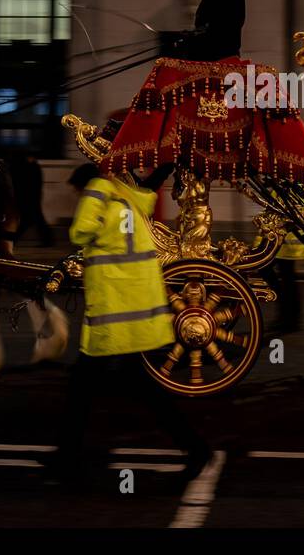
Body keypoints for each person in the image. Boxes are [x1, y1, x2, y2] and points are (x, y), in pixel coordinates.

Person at [49, 168, 212, 490]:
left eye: (76, 192)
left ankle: (67, 461)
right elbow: (149, 188)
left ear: (85, 184)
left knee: (83, 388)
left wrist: (94, 195)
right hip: (136, 310)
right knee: (131, 387)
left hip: (113, 313)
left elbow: (79, 233)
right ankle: (194, 448)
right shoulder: (132, 199)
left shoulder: (99, 190)